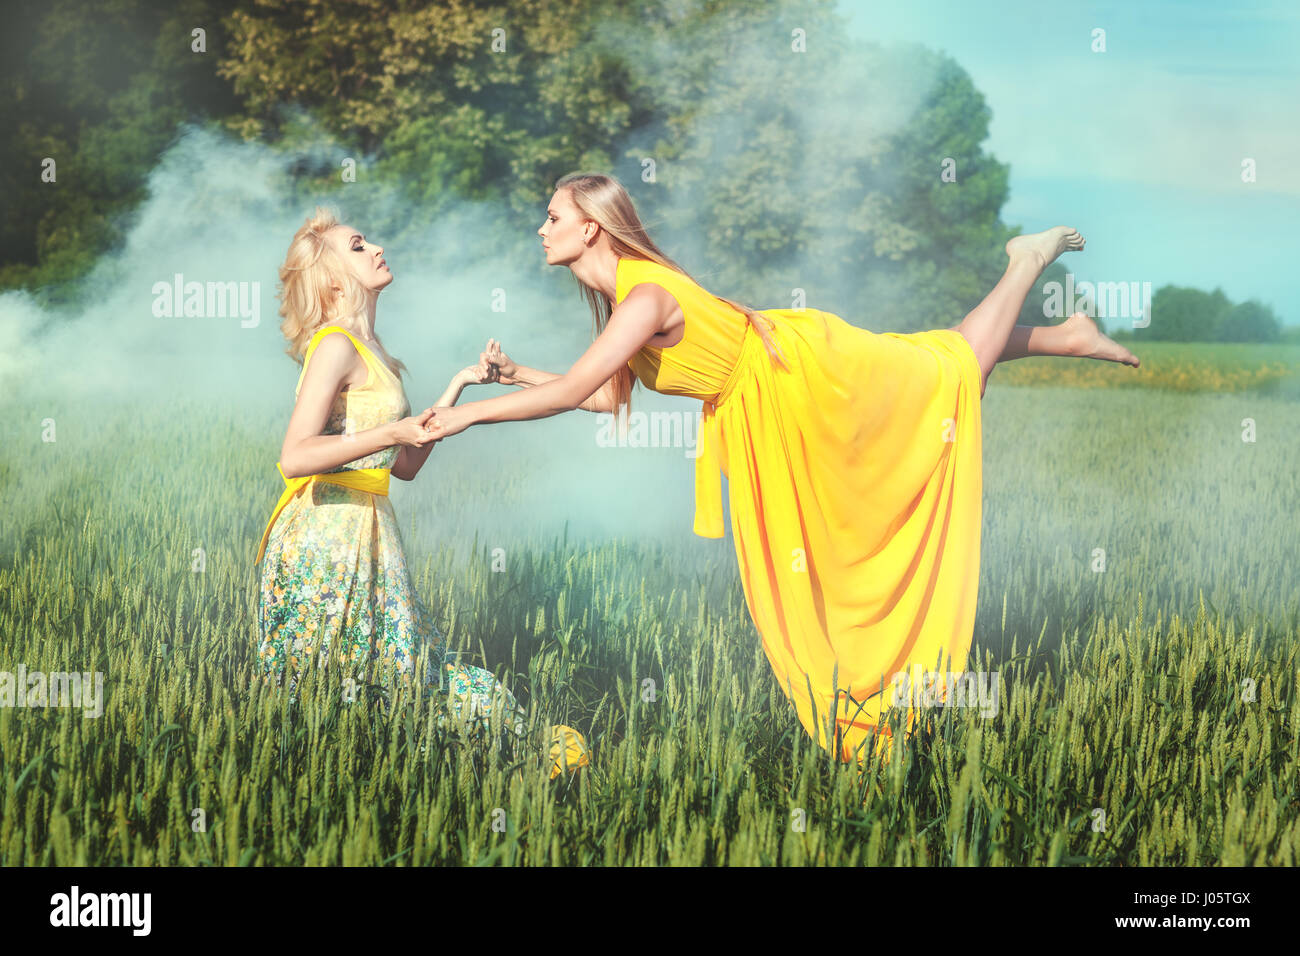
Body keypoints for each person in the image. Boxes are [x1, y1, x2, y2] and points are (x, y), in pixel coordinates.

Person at [421, 174, 1139, 763]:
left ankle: (1026, 262)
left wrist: (466, 417)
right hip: (766, 413)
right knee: (930, 370)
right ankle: (1063, 336)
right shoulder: (626, 301)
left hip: (797, 378)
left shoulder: (644, 297)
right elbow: (607, 397)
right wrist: (517, 374)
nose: (540, 229)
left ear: (590, 230)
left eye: (552, 217)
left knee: (942, 376)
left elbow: (577, 389)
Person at [255, 207, 525, 742]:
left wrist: (457, 387)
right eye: (358, 245)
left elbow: (403, 466)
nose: (377, 248)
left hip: (373, 527)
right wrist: (390, 432)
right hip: (325, 533)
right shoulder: (334, 345)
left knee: (397, 670)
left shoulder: (375, 352)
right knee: (326, 681)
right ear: (332, 279)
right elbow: (295, 456)